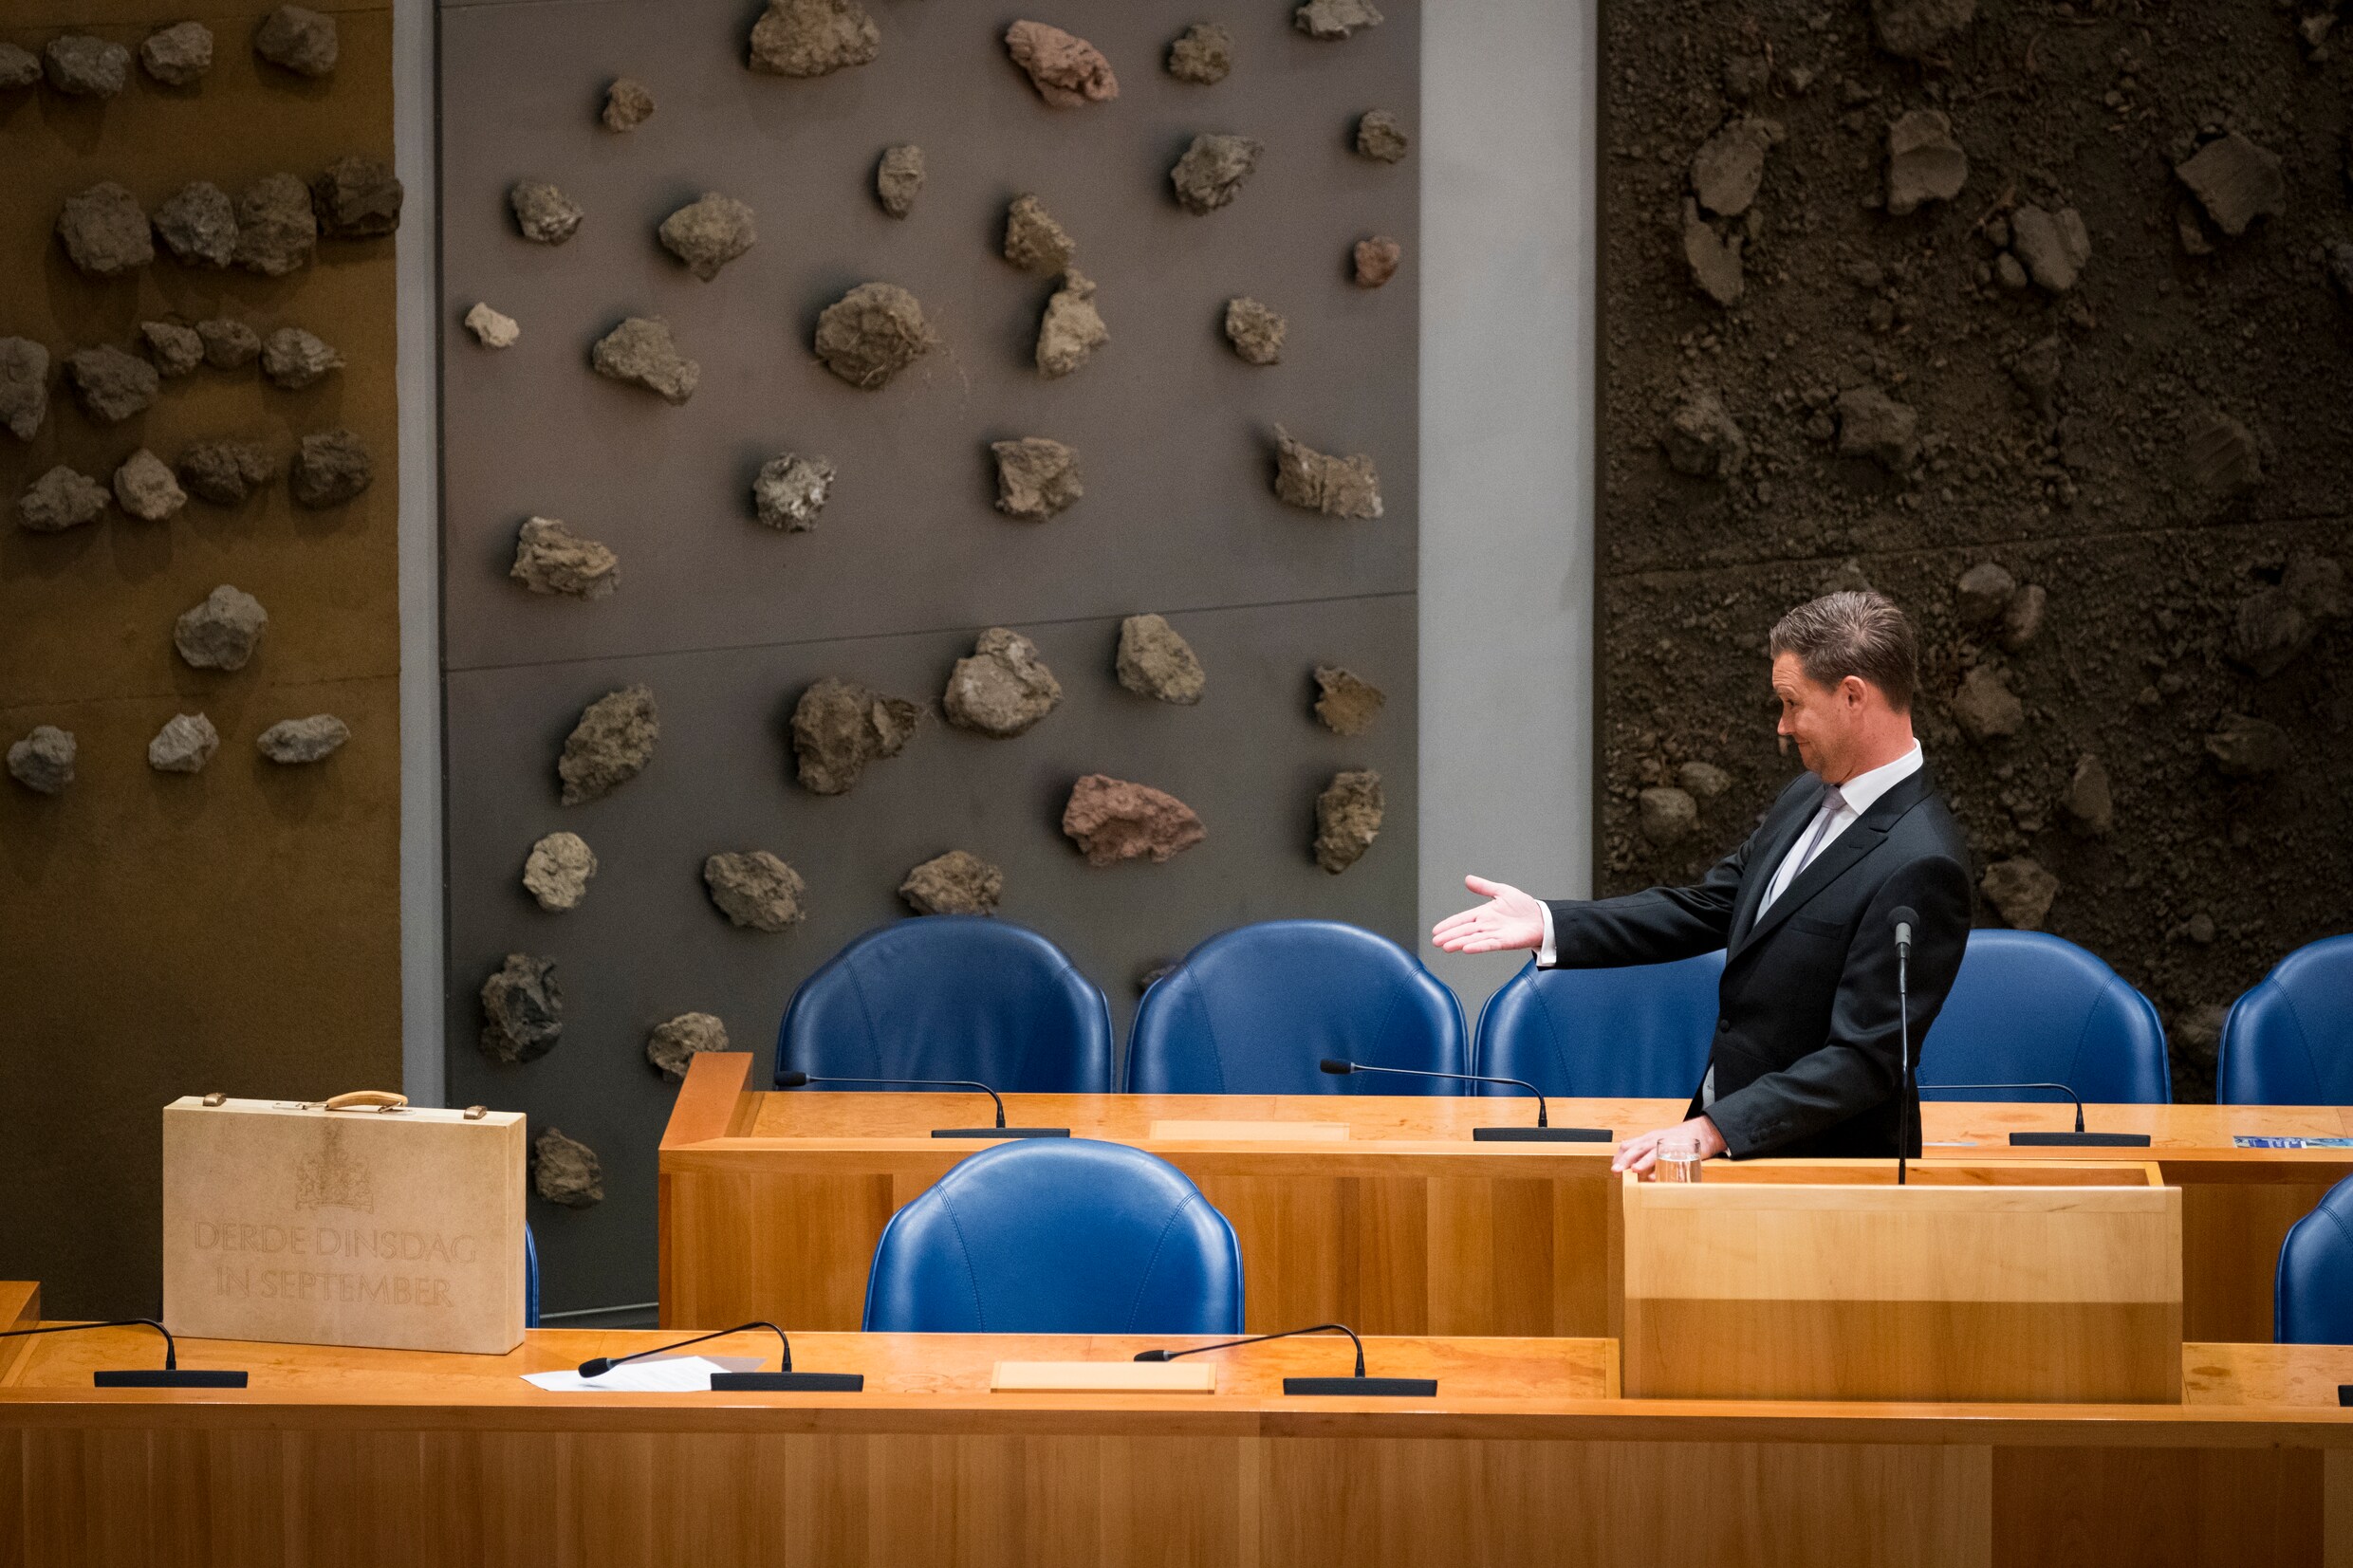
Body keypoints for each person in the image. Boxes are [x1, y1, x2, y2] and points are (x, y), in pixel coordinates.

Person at [1433, 590, 1972, 1171]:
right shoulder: (1809, 794)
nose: (1783, 726)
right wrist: (1548, 921)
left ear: (1852, 695)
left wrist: (1716, 1130)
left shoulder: (1923, 864)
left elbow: (1867, 1059)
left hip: (1826, 1174)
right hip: (1738, 1144)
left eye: (1792, 703)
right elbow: (1710, 905)